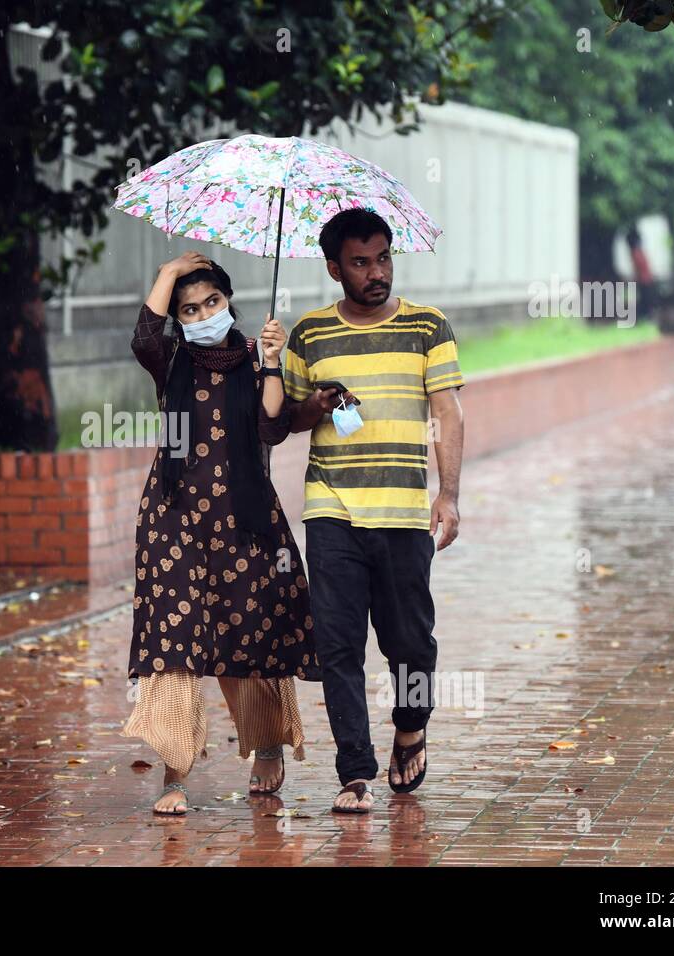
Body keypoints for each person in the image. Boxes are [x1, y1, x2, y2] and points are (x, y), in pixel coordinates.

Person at [122, 251, 320, 816]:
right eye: (189, 308)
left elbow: (272, 428)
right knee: (174, 644)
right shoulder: (171, 362)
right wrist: (163, 273)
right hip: (174, 521)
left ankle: (267, 747)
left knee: (250, 635)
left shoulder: (257, 355)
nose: (203, 313)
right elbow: (143, 337)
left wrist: (275, 362)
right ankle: (175, 774)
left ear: (228, 300)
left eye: (212, 301)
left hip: (246, 522)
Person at [281, 209, 464, 813]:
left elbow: (448, 411)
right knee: (336, 642)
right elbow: (281, 422)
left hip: (404, 510)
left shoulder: (426, 326)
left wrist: (449, 493)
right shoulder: (309, 335)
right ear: (335, 269)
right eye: (360, 263)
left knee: (410, 640)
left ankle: (410, 725)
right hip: (330, 505)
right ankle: (353, 772)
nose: (375, 272)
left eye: (383, 258)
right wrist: (314, 403)